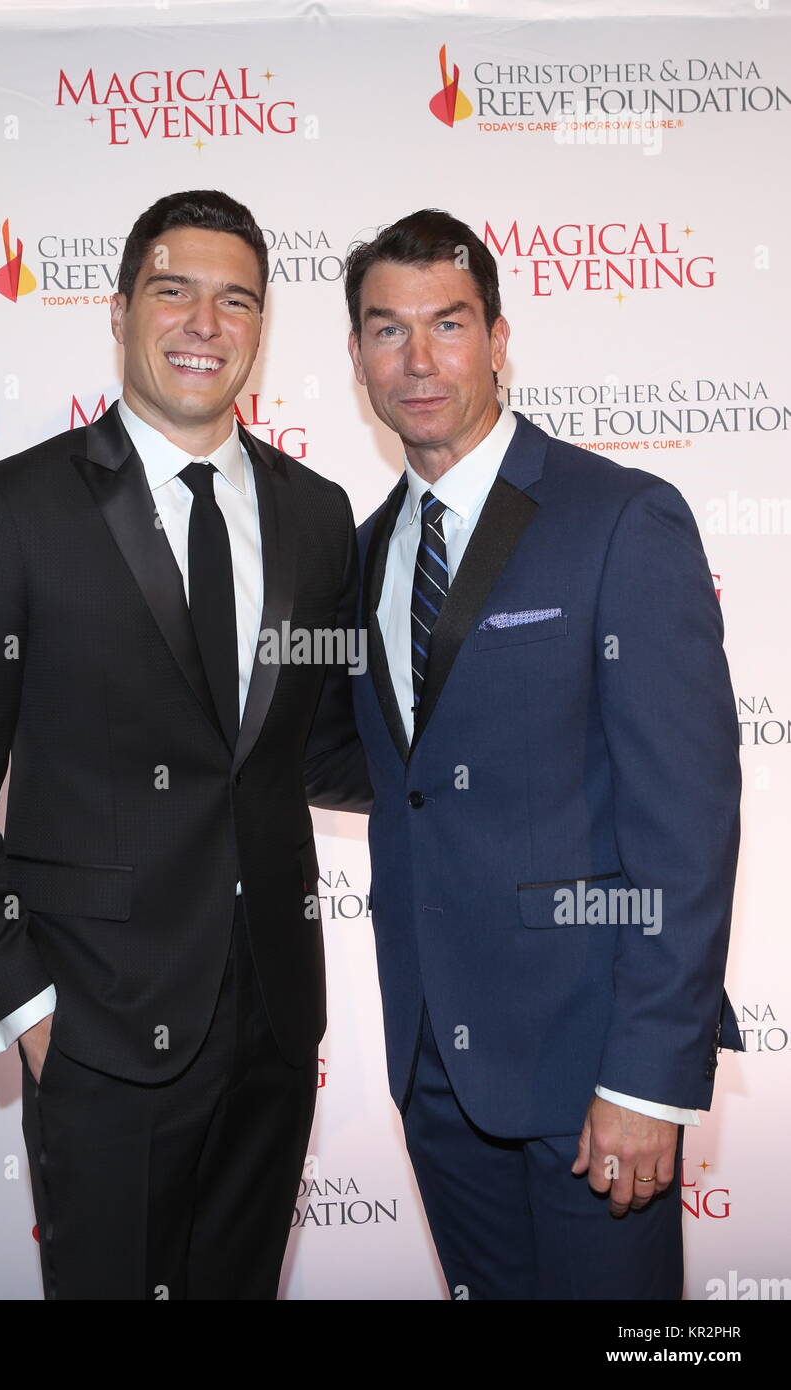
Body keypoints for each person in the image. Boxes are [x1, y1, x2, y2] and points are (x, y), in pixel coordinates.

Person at [0, 188, 369, 1301]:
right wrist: (27, 1008)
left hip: (273, 1025)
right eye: (173, 290)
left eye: (234, 298)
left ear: (261, 328)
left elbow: (316, 748)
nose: (204, 321)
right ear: (118, 312)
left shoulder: (316, 514)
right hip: (95, 1024)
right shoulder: (8, 511)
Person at [343, 209, 743, 1300]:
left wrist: (648, 1078)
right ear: (355, 358)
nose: (418, 360)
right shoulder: (361, 553)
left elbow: (686, 819)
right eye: (387, 330)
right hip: (434, 1068)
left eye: (448, 325)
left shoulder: (619, 518)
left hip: (589, 1074)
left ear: (498, 338)